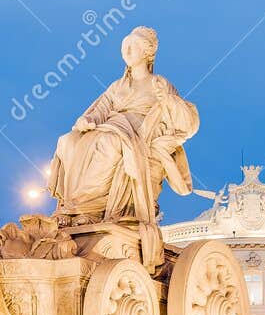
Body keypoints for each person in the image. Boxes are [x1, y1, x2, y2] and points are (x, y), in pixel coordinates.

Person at [49, 26, 198, 270]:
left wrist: (168, 100)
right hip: (110, 127)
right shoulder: (117, 86)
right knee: (68, 140)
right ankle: (72, 208)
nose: (126, 51)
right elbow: (100, 110)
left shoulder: (159, 84)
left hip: (137, 133)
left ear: (148, 52)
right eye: (124, 46)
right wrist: (88, 121)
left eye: (133, 46)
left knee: (108, 142)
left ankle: (88, 208)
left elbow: (184, 121)